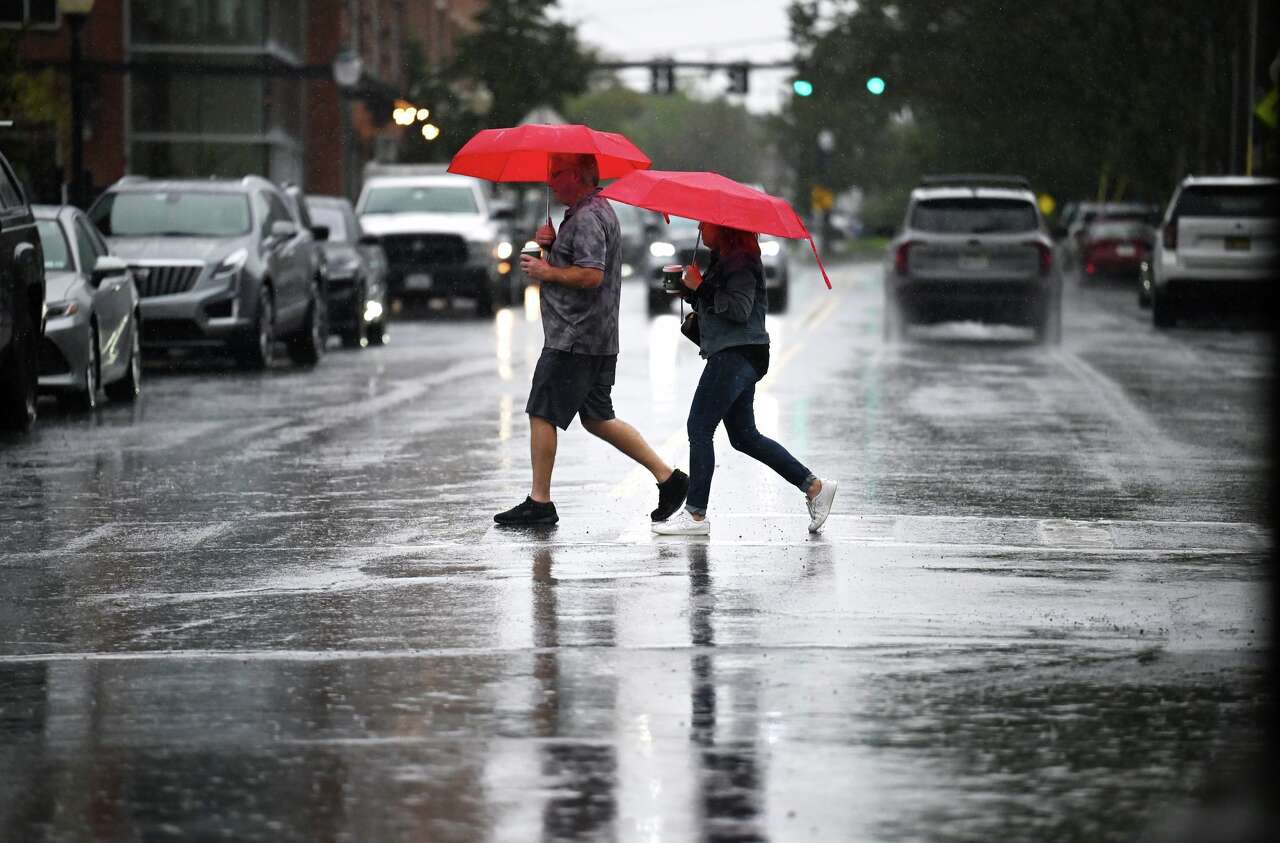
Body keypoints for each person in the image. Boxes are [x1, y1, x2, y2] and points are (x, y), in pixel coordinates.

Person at [494, 152, 689, 526]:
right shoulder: (596, 212)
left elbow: (590, 275)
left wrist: (544, 269)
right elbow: (582, 266)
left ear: (581, 175)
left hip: (575, 337)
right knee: (598, 418)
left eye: (558, 173)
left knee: (542, 410)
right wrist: (550, 246)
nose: (550, 181)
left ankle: (540, 502)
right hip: (597, 336)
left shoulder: (585, 218)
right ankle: (669, 478)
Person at [652, 220, 837, 536]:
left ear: (723, 228)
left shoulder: (741, 260)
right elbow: (717, 304)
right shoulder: (726, 258)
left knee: (699, 427)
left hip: (736, 354)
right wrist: (691, 290)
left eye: (704, 223)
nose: (699, 227)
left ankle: (695, 515)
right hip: (736, 352)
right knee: (744, 436)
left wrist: (702, 287)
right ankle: (814, 487)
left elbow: (738, 309)